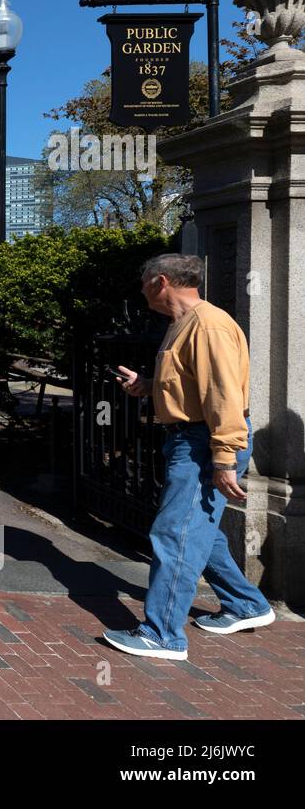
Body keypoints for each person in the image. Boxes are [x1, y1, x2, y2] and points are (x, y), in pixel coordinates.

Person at [104, 254, 274, 661]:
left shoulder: (208, 325)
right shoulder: (183, 325)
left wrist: (224, 458)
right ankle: (247, 605)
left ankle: (162, 634)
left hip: (204, 442)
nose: (141, 286)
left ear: (161, 281)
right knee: (201, 534)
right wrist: (146, 386)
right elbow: (194, 387)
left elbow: (224, 396)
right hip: (193, 439)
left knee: (174, 533)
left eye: (144, 279)